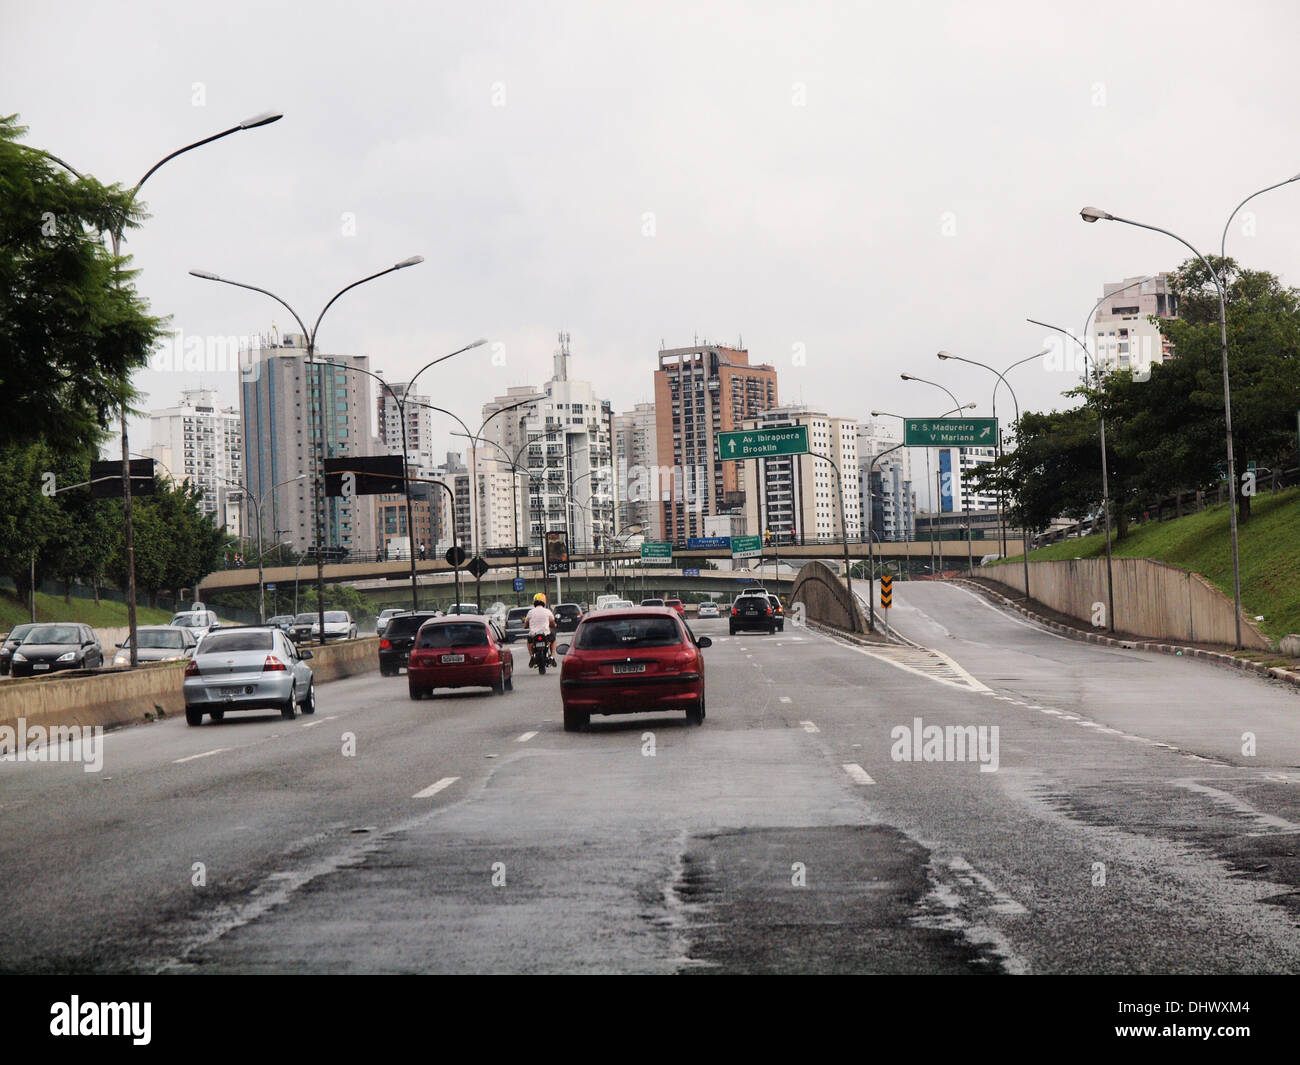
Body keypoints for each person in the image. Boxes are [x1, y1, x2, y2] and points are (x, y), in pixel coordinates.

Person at [525, 593, 557, 664]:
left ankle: (532, 656)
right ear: (544, 602)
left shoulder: (530, 612)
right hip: (545, 635)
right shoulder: (547, 611)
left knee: (528, 642)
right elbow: (552, 623)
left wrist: (526, 626)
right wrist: (554, 625)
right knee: (554, 641)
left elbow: (526, 624)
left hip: (533, 635)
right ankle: (552, 657)